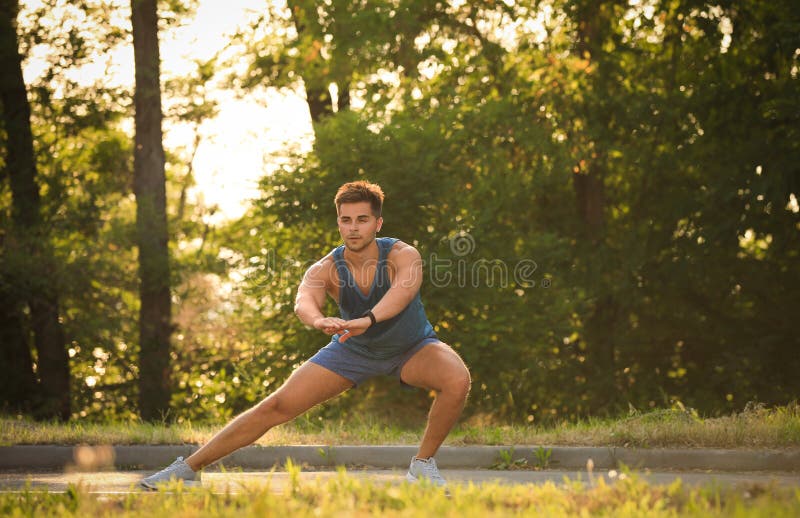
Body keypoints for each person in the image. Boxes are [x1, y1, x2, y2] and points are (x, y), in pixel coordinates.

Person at [141, 181, 471, 489]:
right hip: (353, 349)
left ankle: (422, 465)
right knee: (276, 406)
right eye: (346, 220)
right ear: (338, 222)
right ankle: (185, 470)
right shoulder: (325, 268)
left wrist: (367, 319)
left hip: (410, 347)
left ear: (378, 223)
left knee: (457, 379)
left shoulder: (402, 255)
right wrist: (318, 321)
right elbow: (304, 301)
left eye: (362, 220)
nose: (353, 228)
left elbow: (403, 292)